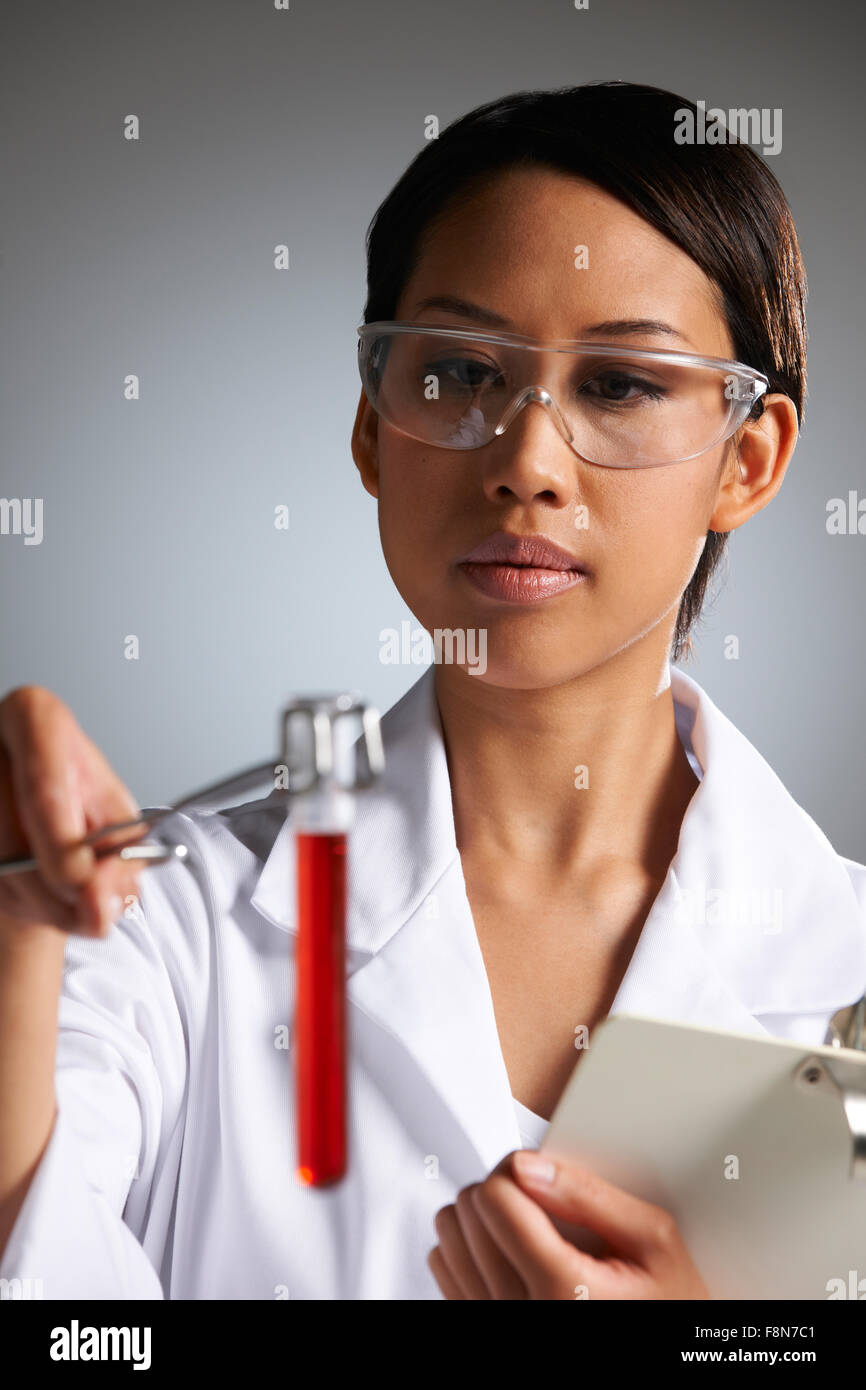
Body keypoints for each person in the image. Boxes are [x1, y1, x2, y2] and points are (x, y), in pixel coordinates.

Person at [0, 80, 863, 1301]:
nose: (524, 459)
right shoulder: (164, 922)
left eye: (618, 384)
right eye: (458, 371)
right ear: (369, 427)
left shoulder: (846, 966)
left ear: (748, 458)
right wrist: (21, 936)